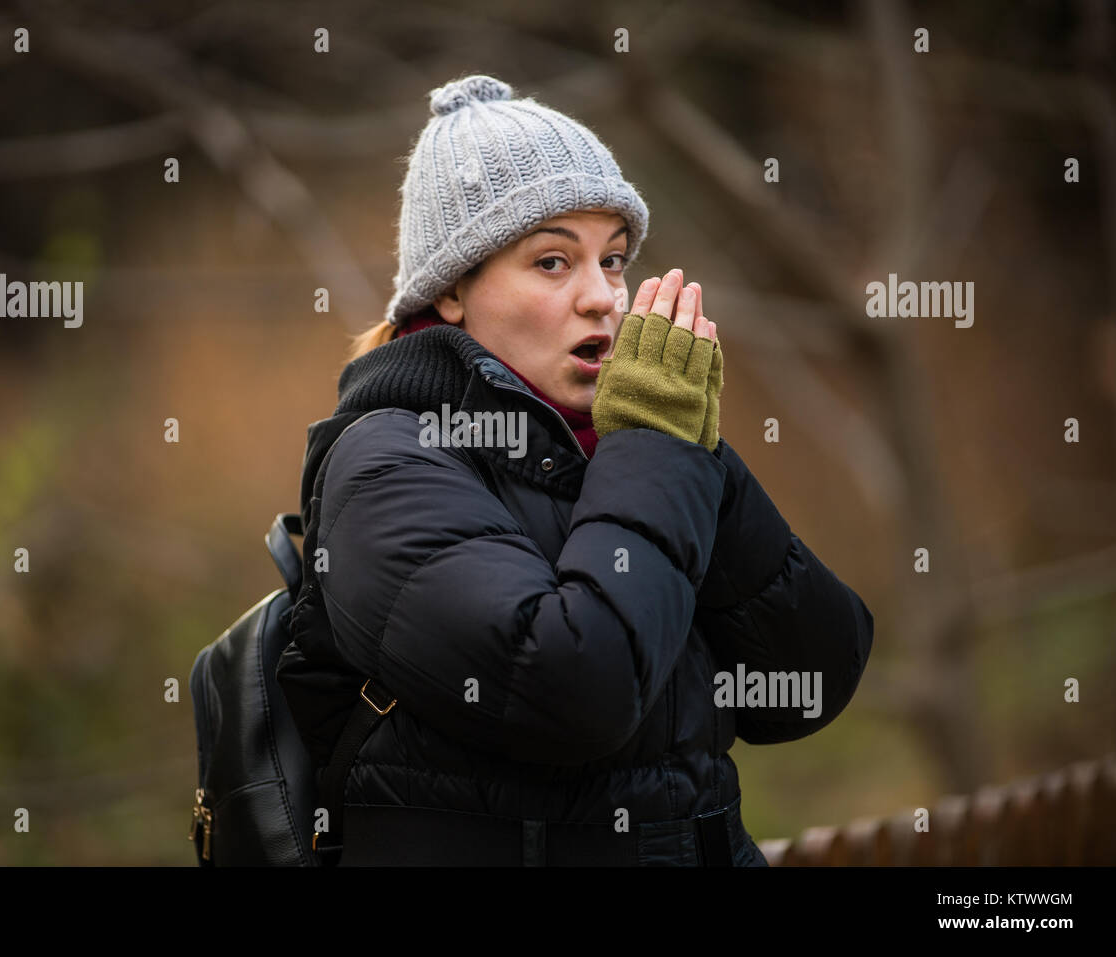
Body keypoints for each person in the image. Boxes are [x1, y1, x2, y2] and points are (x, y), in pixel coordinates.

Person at [276, 74, 874, 866]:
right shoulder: (384, 469)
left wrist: (697, 459)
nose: (603, 298)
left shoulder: (619, 444)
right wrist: (657, 450)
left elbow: (810, 685)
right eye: (554, 261)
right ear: (453, 289)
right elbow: (575, 689)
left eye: (615, 260)